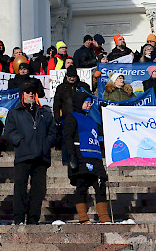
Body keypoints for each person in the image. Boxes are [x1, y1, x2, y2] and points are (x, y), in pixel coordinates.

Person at [3, 82, 57, 225]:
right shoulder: (14, 112)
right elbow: (9, 132)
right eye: (27, 92)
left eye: (33, 92)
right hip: (24, 155)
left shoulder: (44, 112)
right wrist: (21, 141)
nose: (31, 94)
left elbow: (53, 132)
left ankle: (33, 219)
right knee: (20, 189)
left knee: (38, 190)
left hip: (41, 156)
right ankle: (19, 218)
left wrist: (46, 143)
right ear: (22, 94)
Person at [61, 95, 110, 223]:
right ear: (79, 102)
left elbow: (104, 130)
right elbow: (68, 137)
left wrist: (104, 114)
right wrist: (71, 155)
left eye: (90, 103)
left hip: (95, 156)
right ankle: (83, 217)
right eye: (87, 102)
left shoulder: (91, 120)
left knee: (100, 185)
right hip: (80, 155)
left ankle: (104, 217)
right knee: (81, 185)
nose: (89, 105)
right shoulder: (72, 117)